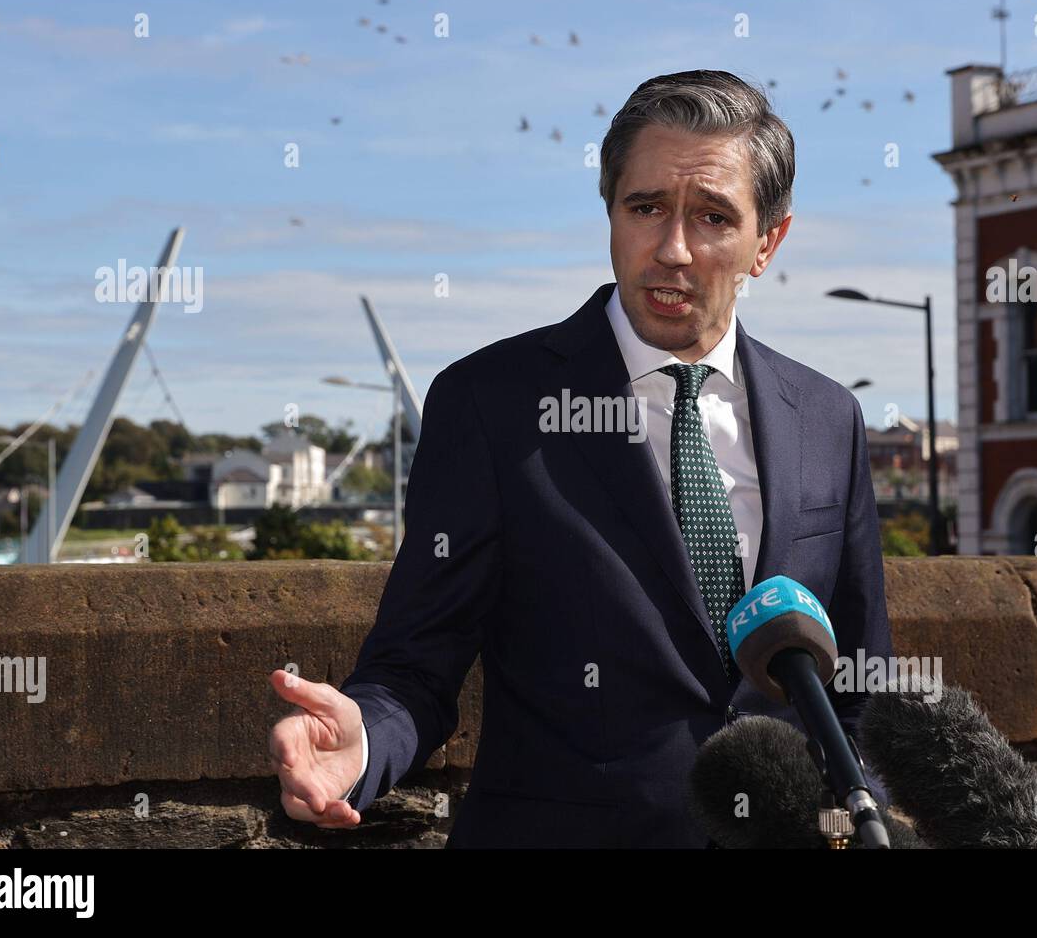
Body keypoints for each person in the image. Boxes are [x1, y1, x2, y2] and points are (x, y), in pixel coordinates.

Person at [268, 69, 894, 847]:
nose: (672, 249)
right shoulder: (487, 404)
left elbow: (863, 685)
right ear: (610, 213)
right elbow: (414, 668)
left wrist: (848, 812)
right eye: (646, 208)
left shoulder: (829, 417)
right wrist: (359, 743)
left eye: (711, 217)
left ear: (768, 241)